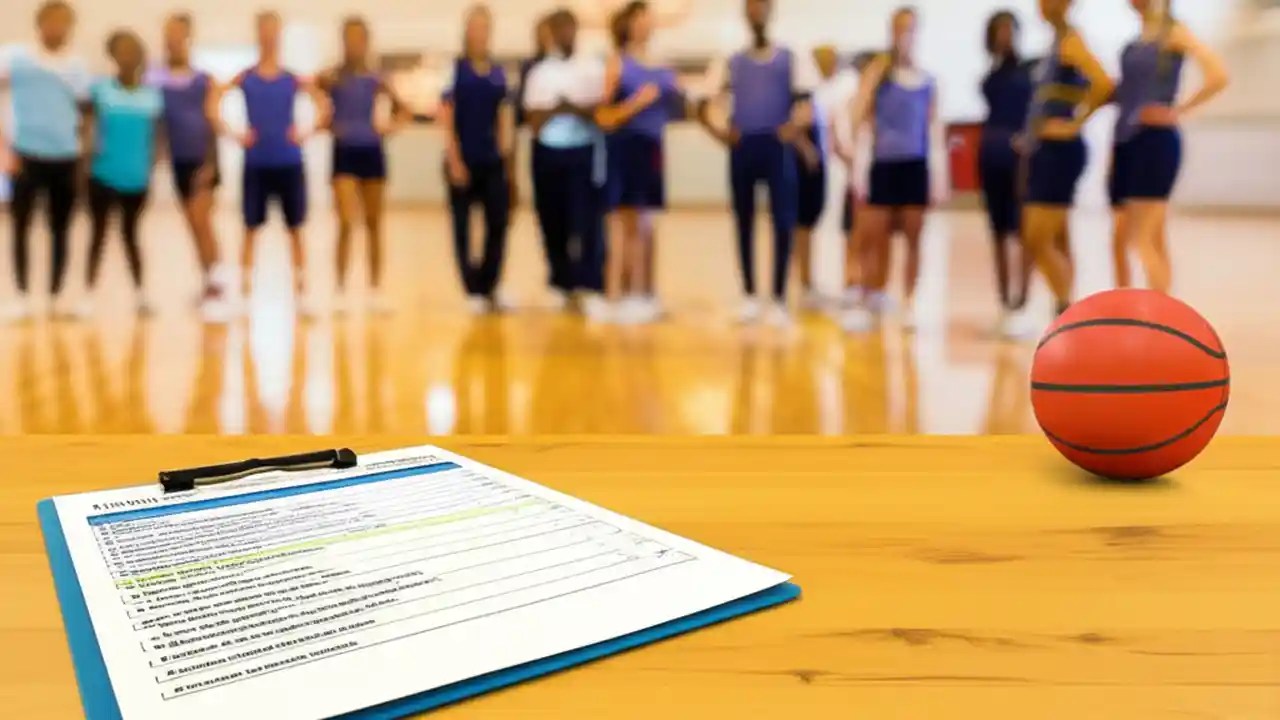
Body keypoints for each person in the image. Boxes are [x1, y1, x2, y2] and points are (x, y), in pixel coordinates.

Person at [698, 0, 816, 327]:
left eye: (761, 7)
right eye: (751, 7)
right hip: (743, 146)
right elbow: (703, 103)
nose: (757, 13)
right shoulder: (731, 60)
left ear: (770, 11)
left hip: (777, 148)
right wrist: (721, 133)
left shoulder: (790, 57)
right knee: (744, 220)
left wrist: (792, 129)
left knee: (783, 221)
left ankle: (778, 297)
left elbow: (807, 106)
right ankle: (750, 295)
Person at [214, 11, 330, 313]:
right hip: (256, 163)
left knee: (295, 229)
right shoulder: (246, 77)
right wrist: (235, 134)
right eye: (264, 30)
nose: (268, 36)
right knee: (250, 229)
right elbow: (214, 101)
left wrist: (306, 132)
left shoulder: (291, 78)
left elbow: (323, 105)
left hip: (288, 162)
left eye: (273, 30)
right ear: (258, 33)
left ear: (279, 35)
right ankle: (244, 294)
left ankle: (302, 295)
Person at [1109, 0, 1227, 294]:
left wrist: (1178, 110)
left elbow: (1218, 75)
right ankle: (1123, 306)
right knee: (1125, 238)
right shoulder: (1136, 40)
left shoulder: (1174, 32)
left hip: (1154, 140)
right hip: (1125, 141)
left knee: (1143, 238)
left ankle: (1158, 312)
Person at [842, 7, 948, 332]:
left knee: (914, 238)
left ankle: (910, 303)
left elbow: (934, 132)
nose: (904, 36)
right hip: (884, 164)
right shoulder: (878, 77)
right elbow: (856, 117)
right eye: (899, 29)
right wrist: (871, 80)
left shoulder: (928, 82)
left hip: (914, 165)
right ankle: (869, 295)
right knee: (874, 237)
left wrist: (940, 178)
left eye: (910, 29)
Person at [0, 1, 90, 322]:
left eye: (63, 23)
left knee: (60, 229)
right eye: (51, 22)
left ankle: (56, 296)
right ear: (39, 24)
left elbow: (86, 115)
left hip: (65, 156)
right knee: (20, 227)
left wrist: (84, 157)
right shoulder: (16, 60)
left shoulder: (77, 67)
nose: (57, 28)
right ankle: (21, 297)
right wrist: (4, 149)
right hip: (26, 154)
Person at [1022, 0, 1112, 318]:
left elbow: (1104, 84)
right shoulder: (1056, 42)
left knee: (1035, 235)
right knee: (1058, 235)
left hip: (1060, 150)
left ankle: (1065, 305)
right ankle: (1063, 304)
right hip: (1045, 147)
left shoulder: (1071, 41)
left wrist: (1075, 122)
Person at [597, 1, 681, 324]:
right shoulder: (618, 64)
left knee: (648, 224)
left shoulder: (662, 67)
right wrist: (635, 104)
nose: (647, 23)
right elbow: (604, 117)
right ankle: (620, 293)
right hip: (626, 147)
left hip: (652, 148)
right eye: (641, 18)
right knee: (627, 223)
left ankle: (646, 292)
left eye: (649, 18)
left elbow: (679, 103)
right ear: (629, 24)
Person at [522, 9, 609, 320]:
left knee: (587, 221)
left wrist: (568, 107)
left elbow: (599, 111)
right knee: (552, 219)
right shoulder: (540, 72)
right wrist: (562, 109)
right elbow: (534, 118)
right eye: (558, 29)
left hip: (582, 151)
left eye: (568, 27)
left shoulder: (592, 67)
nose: (564, 34)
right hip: (548, 153)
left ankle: (590, 284)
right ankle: (561, 282)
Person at [318, 16, 405, 314]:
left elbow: (403, 109)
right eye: (349, 38)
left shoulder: (376, 79)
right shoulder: (332, 77)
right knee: (345, 221)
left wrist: (389, 127)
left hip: (371, 152)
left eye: (359, 38)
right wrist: (326, 121)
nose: (354, 44)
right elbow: (310, 92)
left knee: (373, 223)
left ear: (366, 42)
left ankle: (375, 289)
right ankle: (340, 288)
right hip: (344, 153)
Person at [78, 30, 162, 319]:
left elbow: (157, 140)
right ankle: (88, 296)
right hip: (102, 174)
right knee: (98, 234)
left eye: (132, 50)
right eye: (122, 51)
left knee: (131, 235)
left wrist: (151, 168)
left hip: (136, 178)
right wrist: (84, 165)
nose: (128, 56)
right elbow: (86, 130)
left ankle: (141, 296)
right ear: (113, 56)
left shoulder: (152, 97)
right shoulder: (100, 91)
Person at [151, 12, 229, 320]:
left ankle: (220, 287)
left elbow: (212, 122)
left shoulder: (203, 80)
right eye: (169, 34)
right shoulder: (156, 80)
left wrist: (210, 163)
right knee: (193, 227)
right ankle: (208, 283)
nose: (173, 40)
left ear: (188, 37)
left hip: (202, 161)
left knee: (203, 222)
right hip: (178, 162)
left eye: (178, 34)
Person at [439, 4, 514, 314]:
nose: (480, 34)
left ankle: (490, 285)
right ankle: (471, 288)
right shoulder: (455, 70)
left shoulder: (498, 73)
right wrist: (454, 159)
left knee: (498, 223)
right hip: (463, 158)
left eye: (485, 28)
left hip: (492, 160)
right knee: (462, 226)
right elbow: (446, 117)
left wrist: (506, 157)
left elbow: (504, 116)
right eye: (475, 27)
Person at [979, 10, 1035, 338]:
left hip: (1019, 155)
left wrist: (1028, 139)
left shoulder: (1028, 72)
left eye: (1009, 30)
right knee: (998, 230)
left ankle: (1022, 300)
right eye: (999, 30)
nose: (1005, 36)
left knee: (1024, 228)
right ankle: (1004, 303)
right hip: (991, 153)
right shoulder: (991, 74)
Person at [794, 45, 857, 314]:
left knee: (835, 223)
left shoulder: (838, 90)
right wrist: (807, 150)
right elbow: (798, 125)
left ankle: (841, 283)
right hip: (811, 167)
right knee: (807, 223)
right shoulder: (808, 93)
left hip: (831, 165)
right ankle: (806, 282)